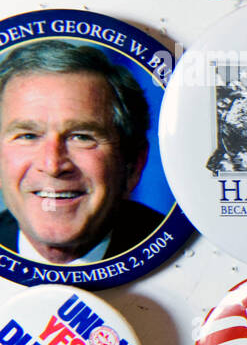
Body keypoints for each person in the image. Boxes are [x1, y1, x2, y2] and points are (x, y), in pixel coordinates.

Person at [0, 40, 163, 264]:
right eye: (28, 136)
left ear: (133, 165)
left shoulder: (182, 253)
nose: (52, 165)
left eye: (82, 137)